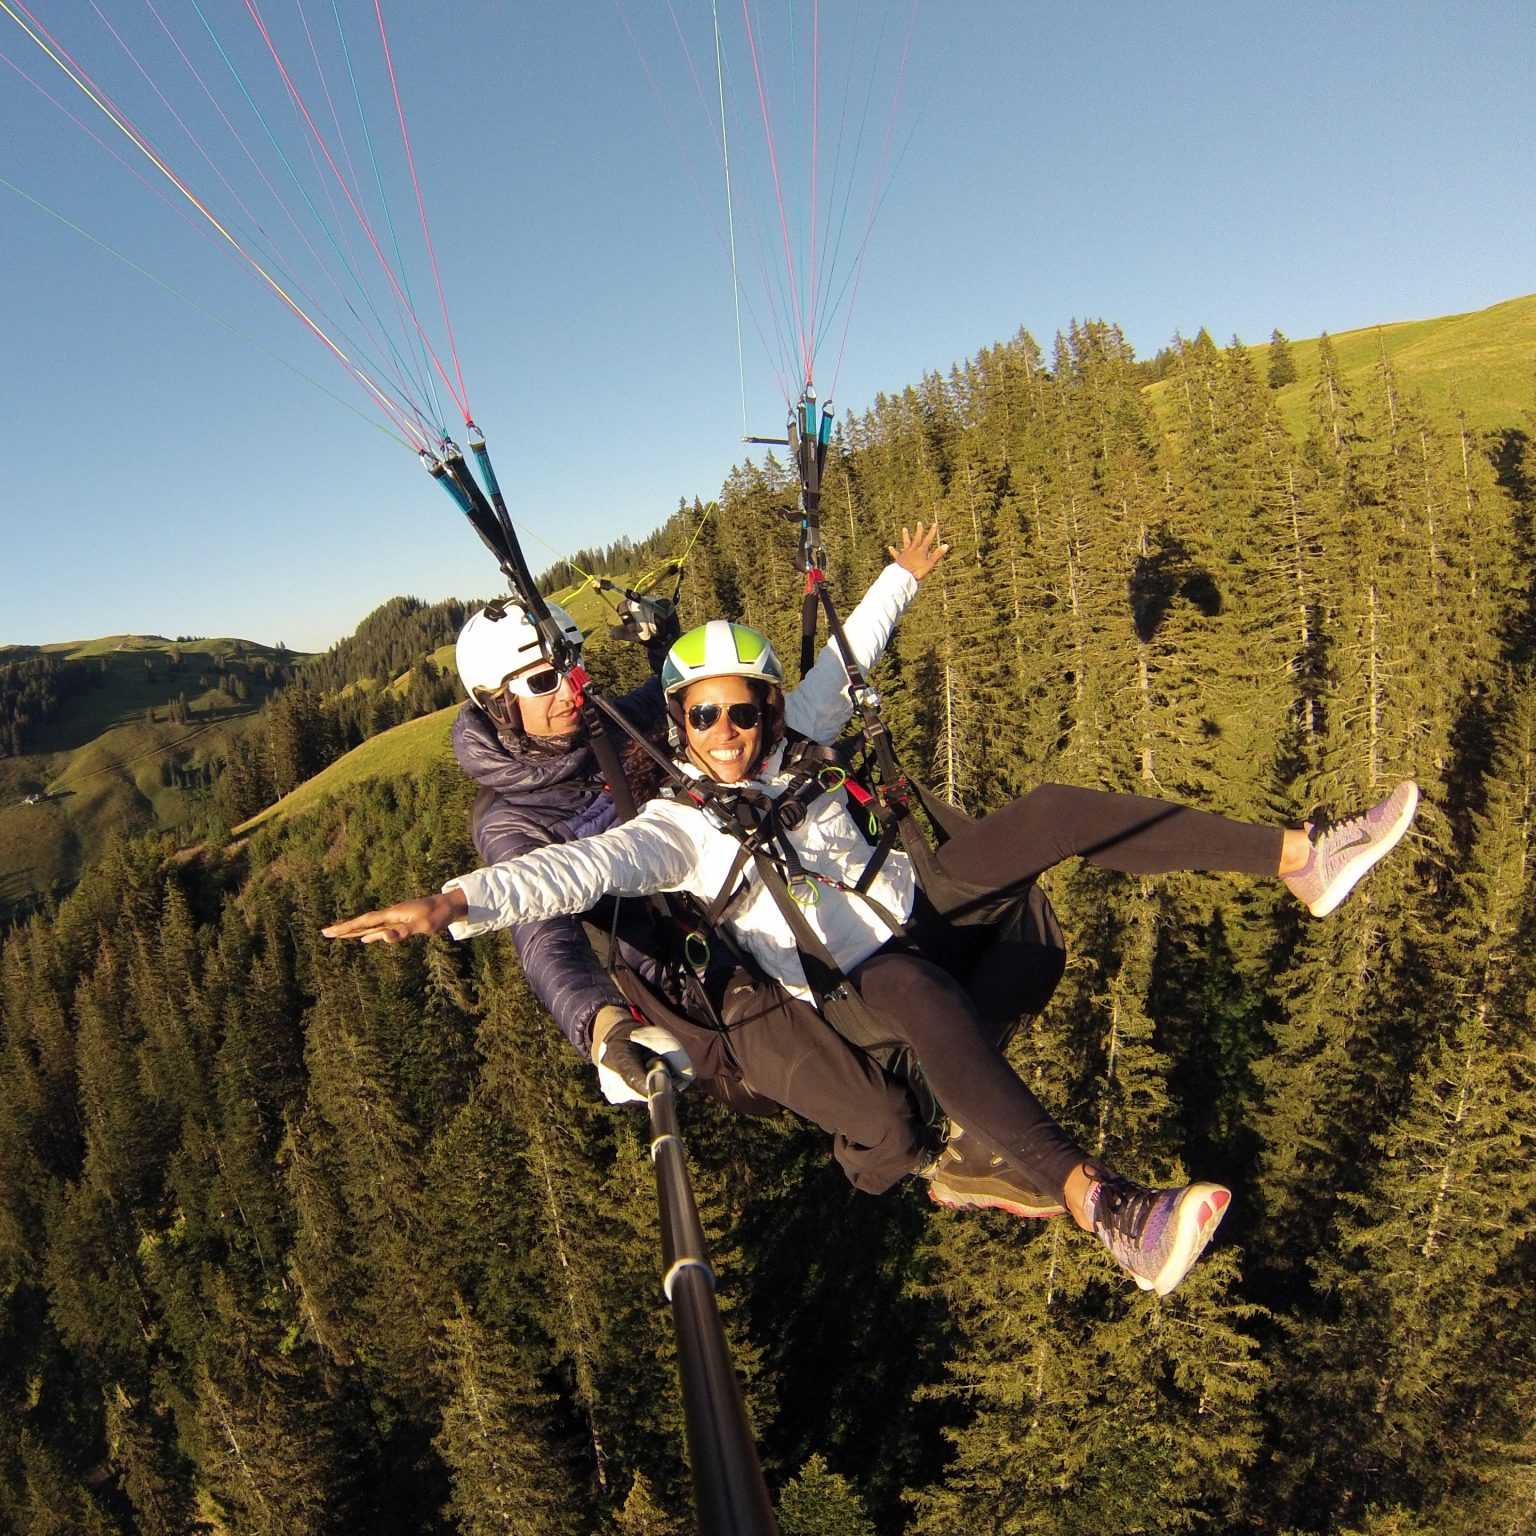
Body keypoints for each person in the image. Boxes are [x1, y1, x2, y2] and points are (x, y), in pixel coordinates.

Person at [327, 541, 1419, 1296]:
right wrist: (454, 905)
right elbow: (569, 879)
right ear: (680, 721)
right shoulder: (667, 826)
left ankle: (1300, 861)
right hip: (845, 976)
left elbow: (838, 672)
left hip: (912, 898)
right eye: (702, 716)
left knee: (1048, 814)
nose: (724, 730)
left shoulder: (767, 733)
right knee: (917, 999)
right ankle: (1109, 1212)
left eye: (738, 711)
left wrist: (898, 578)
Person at [431, 536, 990, 1197]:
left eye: (574, 664)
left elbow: (687, 695)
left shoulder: (604, 721)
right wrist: (600, 1025)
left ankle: (962, 1112)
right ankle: (921, 1164)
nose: (572, 689)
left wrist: (661, 637)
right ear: (499, 703)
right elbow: (544, 934)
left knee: (919, 994)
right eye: (545, 680)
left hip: (755, 908)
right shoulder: (511, 819)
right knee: (884, 1119)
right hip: (697, 977)